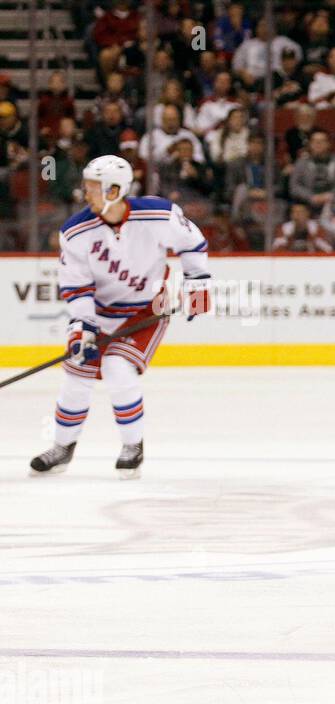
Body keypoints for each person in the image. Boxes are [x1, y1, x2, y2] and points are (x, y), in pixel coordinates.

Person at [30, 155, 211, 478]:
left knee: (118, 368)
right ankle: (62, 446)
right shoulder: (76, 232)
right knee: (77, 374)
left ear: (115, 190)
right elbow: (77, 287)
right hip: (99, 314)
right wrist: (82, 328)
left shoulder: (159, 215)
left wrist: (196, 282)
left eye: (93, 188)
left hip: (145, 311)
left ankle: (132, 446)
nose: (86, 194)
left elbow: (193, 242)